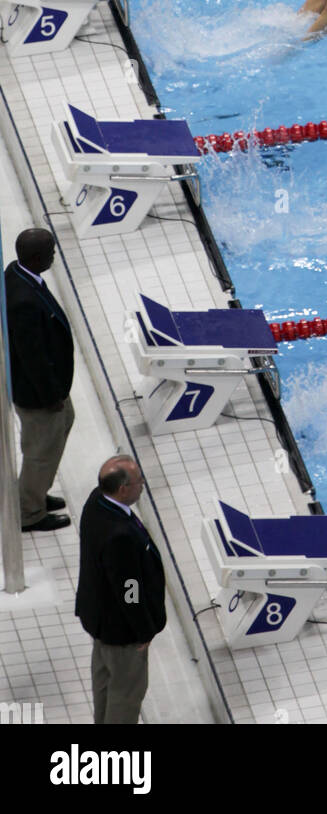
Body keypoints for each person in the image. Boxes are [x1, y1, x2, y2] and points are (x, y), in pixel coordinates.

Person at [75, 456, 166, 725]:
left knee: (104, 680)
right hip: (121, 631)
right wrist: (143, 631)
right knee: (126, 694)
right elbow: (130, 591)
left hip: (99, 617)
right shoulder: (120, 536)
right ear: (123, 489)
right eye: (140, 482)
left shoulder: (96, 501)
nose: (143, 486)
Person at [4, 228, 74, 532]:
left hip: (50, 384)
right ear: (36, 258)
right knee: (40, 453)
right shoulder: (23, 302)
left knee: (64, 424)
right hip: (38, 393)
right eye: (51, 251)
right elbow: (31, 358)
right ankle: (29, 512)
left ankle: (35, 493)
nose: (54, 255)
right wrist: (50, 396)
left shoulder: (16, 272)